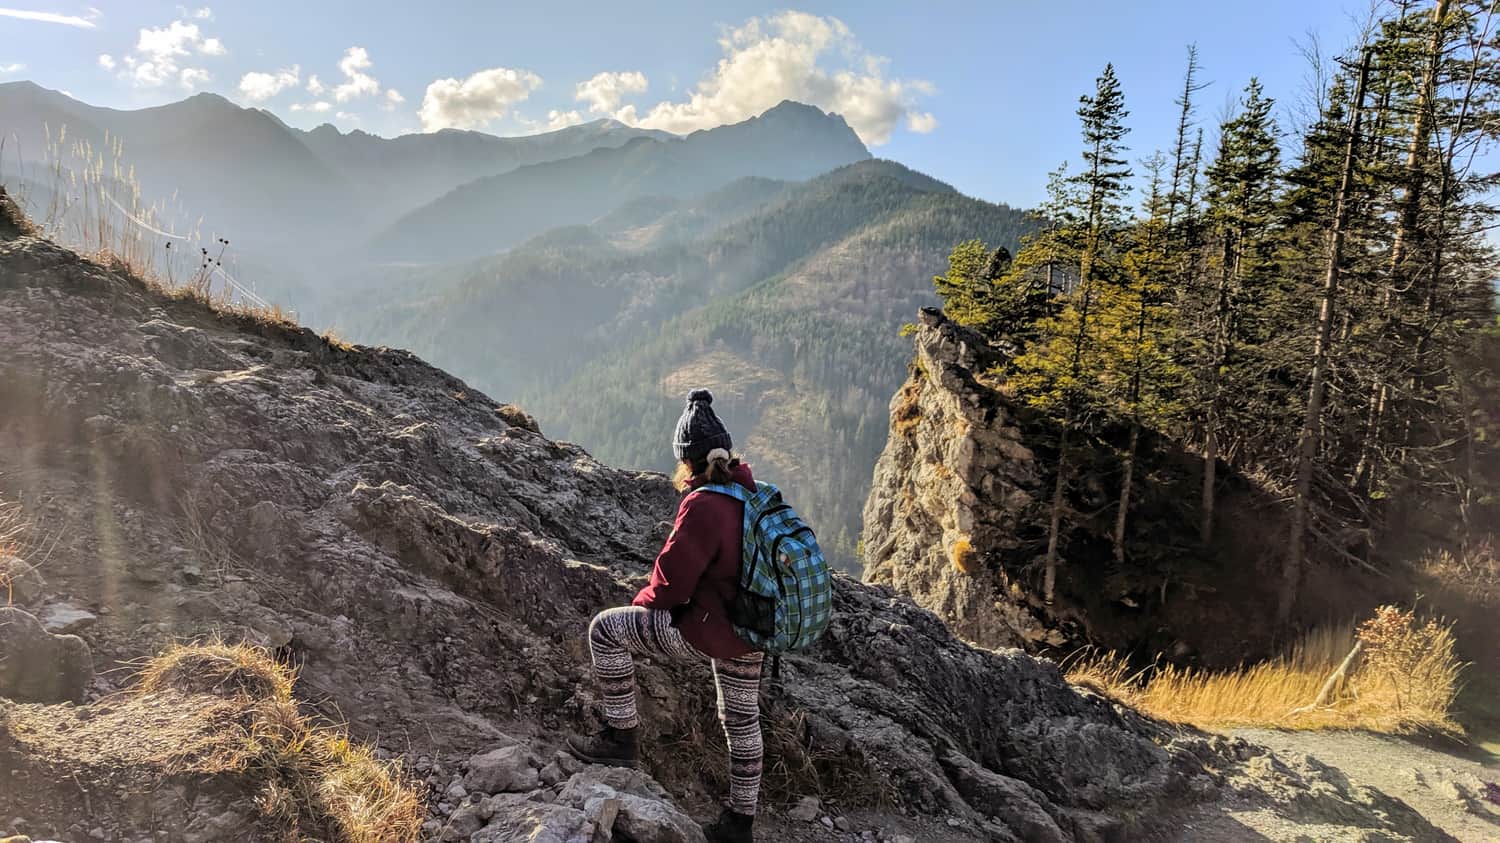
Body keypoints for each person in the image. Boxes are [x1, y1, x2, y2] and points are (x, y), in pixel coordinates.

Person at [568, 388, 764, 843]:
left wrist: (641, 603)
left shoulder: (702, 504)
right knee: (742, 718)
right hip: (755, 627)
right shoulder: (755, 493)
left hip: (711, 628)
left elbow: (670, 585)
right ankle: (740, 824)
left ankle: (620, 741)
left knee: (607, 630)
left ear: (686, 460)